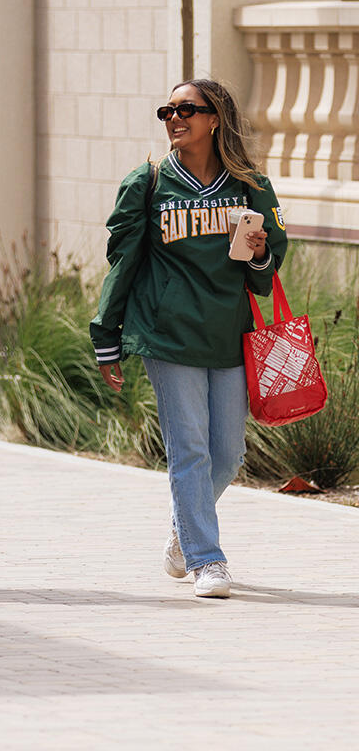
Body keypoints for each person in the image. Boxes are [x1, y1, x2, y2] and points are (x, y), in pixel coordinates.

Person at [90, 78, 287, 600]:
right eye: (167, 110)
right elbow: (123, 261)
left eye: (186, 109)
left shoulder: (252, 186)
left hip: (228, 333)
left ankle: (184, 528)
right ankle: (207, 559)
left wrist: (261, 249)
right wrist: (107, 334)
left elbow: (267, 271)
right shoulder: (148, 181)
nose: (174, 118)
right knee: (191, 449)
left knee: (228, 454)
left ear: (215, 117)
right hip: (166, 334)